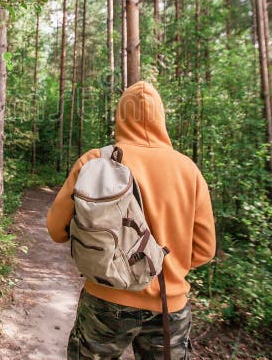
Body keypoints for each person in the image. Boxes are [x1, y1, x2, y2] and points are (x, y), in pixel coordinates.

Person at [47, 81, 216, 360]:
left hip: (105, 299)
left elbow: (56, 230)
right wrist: (167, 264)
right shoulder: (189, 171)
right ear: (160, 117)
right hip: (168, 306)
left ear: (120, 116)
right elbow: (204, 251)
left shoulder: (95, 161)